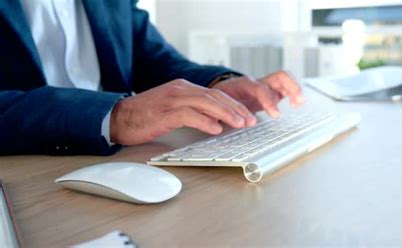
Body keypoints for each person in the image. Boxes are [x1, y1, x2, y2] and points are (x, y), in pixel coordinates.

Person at [0, 0, 304, 155]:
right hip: (23, 172)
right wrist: (117, 116)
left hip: (121, 160)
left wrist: (218, 85)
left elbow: (154, 60)